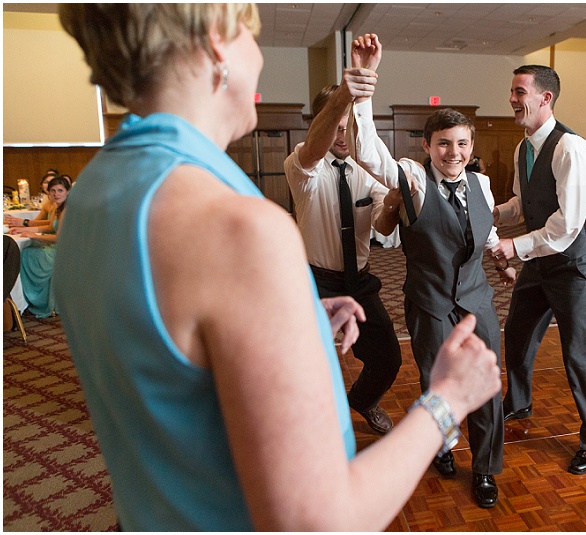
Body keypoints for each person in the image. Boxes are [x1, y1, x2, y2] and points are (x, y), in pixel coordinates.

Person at [53, 6, 501, 531]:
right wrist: (447, 401)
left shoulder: (89, 195)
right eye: (250, 31)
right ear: (217, 45)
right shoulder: (241, 228)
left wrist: (297, 318)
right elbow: (322, 521)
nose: (259, 54)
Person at [349, 34, 513, 509]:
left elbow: (482, 237)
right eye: (444, 144)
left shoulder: (481, 182)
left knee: (486, 382)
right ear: (427, 145)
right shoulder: (414, 177)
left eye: (462, 143)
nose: (454, 153)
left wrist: (501, 261)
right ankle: (442, 444)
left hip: (477, 300)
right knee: (436, 382)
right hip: (430, 301)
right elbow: (369, 152)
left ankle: (485, 468)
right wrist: (365, 89)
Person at [491, 64, 586, 476]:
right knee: (519, 334)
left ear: (546, 98)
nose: (512, 99)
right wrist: (494, 214)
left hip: (573, 264)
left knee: (579, 351)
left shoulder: (571, 148)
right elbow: (524, 205)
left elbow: (566, 225)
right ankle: (519, 401)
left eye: (519, 91)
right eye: (511, 90)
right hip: (539, 259)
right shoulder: (522, 147)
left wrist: (514, 246)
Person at [283, 81, 403, 435]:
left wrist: (395, 204)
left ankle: (363, 401)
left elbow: (382, 225)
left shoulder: (370, 168)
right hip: (314, 281)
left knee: (388, 358)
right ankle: (307, 424)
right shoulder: (302, 163)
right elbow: (312, 151)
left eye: (349, 127)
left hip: (360, 281)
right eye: (335, 126)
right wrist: (341, 100)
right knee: (306, 365)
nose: (343, 136)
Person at [17, 175, 70, 318]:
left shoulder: (67, 209)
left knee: (24, 254)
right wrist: (23, 230)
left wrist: (33, 236)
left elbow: (59, 238)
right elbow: (48, 227)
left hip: (65, 252)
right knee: (27, 249)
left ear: (67, 192)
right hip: (57, 248)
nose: (56, 194)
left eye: (60, 190)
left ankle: (31, 300)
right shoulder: (59, 208)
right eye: (53, 191)